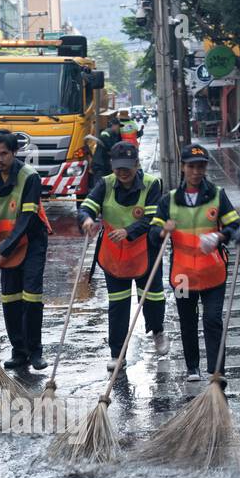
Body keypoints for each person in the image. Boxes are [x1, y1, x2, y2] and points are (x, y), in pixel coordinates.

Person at [151, 143, 240, 383]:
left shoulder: (217, 195)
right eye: (192, 166)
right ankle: (193, 368)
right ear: (183, 168)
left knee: (212, 319)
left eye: (201, 167)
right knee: (187, 321)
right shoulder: (169, 200)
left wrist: (219, 236)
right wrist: (162, 230)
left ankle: (216, 370)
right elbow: (153, 233)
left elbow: (234, 225)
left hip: (213, 271)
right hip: (182, 275)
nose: (196, 172)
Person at [78, 140, 166, 370]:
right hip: (115, 256)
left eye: (127, 167)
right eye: (118, 167)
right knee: (118, 305)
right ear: (111, 166)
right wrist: (87, 219)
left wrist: (128, 231)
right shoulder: (105, 184)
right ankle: (118, 353)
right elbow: (87, 206)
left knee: (153, 298)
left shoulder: (151, 184)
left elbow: (152, 219)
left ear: (137, 164)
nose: (123, 172)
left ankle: (157, 330)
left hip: (147, 252)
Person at [0, 128, 50, 371]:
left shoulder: (30, 177)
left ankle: (35, 351)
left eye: (4, 154)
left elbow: (26, 219)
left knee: (31, 296)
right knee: (10, 298)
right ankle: (19, 351)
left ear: (15, 152)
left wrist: (2, 251)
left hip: (31, 240)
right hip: (5, 241)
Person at [89, 114, 123, 181]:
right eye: (118, 126)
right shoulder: (106, 132)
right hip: (100, 164)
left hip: (104, 164)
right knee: (99, 185)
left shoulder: (115, 134)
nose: (119, 128)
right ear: (114, 125)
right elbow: (110, 146)